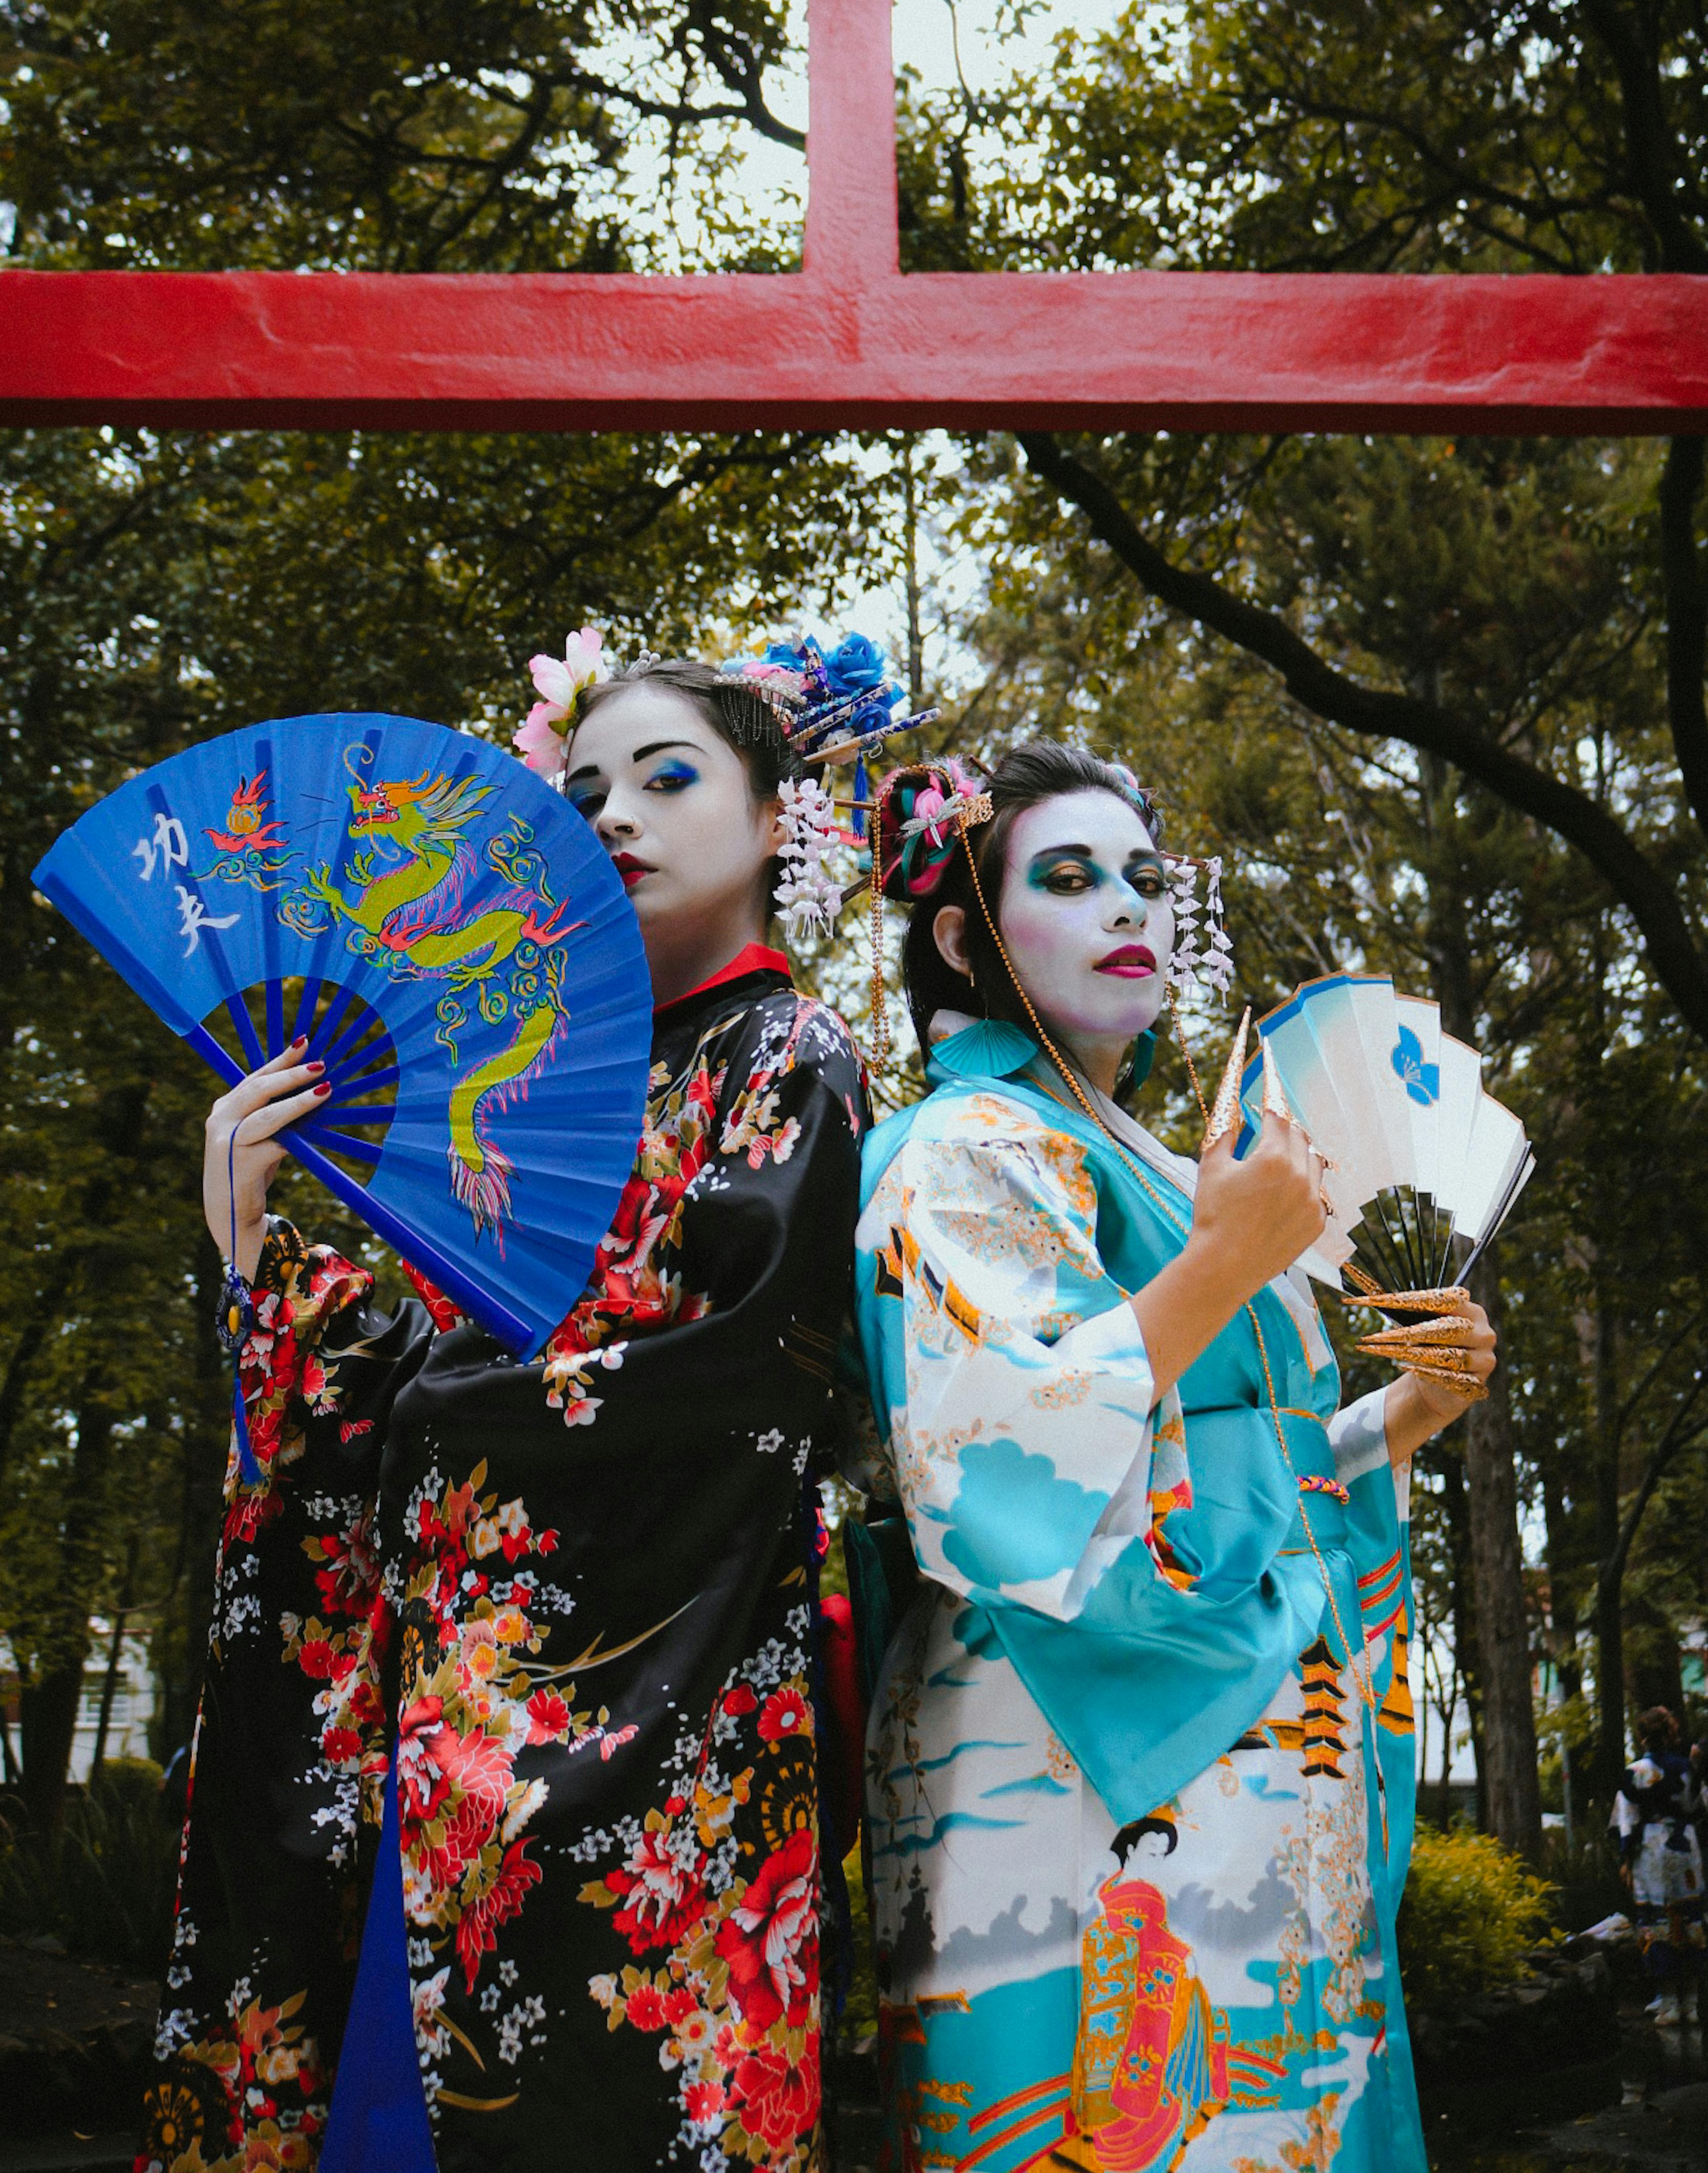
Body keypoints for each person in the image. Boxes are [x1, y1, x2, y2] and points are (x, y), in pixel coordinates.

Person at [141, 649, 874, 2173]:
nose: (614, 816)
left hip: (664, 1697)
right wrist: (249, 1241)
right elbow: (403, 1356)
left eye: (669, 778)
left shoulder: (789, 1058)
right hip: (444, 1727)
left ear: (773, 820)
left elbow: (743, 1375)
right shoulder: (532, 1090)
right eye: (581, 790)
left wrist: (441, 1421)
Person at [852, 741, 1497, 2173]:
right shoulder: (963, 1143)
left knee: (1267, 2115)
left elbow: (1231, 1463)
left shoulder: (1143, 1150)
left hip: (1243, 1727)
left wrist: (1399, 1419)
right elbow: (990, 1464)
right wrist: (1214, 1268)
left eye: (1144, 879)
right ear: (965, 938)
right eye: (1070, 880)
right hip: (1071, 1745)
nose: (1126, 908)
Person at [1615, 1706, 1705, 2029]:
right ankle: (1692, 2004)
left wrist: (1627, 1858)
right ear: (1671, 1734)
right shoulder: (1688, 1770)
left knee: (1657, 1920)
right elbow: (1699, 1808)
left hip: (1652, 1850)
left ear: (1642, 1738)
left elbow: (1627, 1821)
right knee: (1690, 1918)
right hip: (1685, 1848)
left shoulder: (1635, 1773)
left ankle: (1668, 2003)